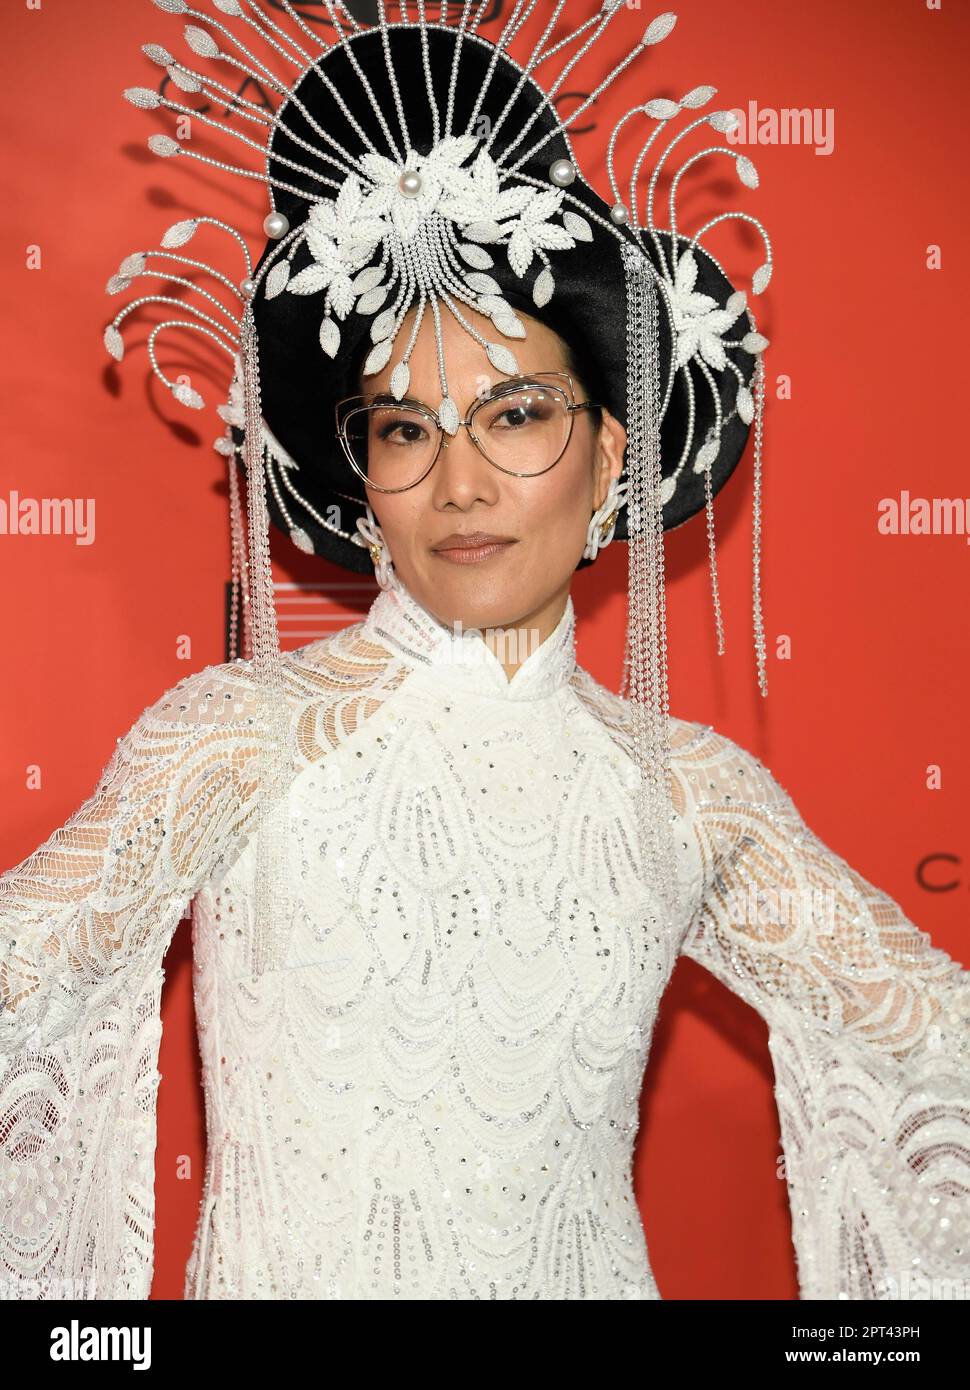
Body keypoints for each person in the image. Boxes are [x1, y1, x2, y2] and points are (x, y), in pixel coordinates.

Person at [2, 1, 968, 1302]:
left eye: (514, 413)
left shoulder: (690, 791)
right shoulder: (232, 739)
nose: (459, 483)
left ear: (611, 451)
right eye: (406, 429)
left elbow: (935, 1046)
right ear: (362, 477)